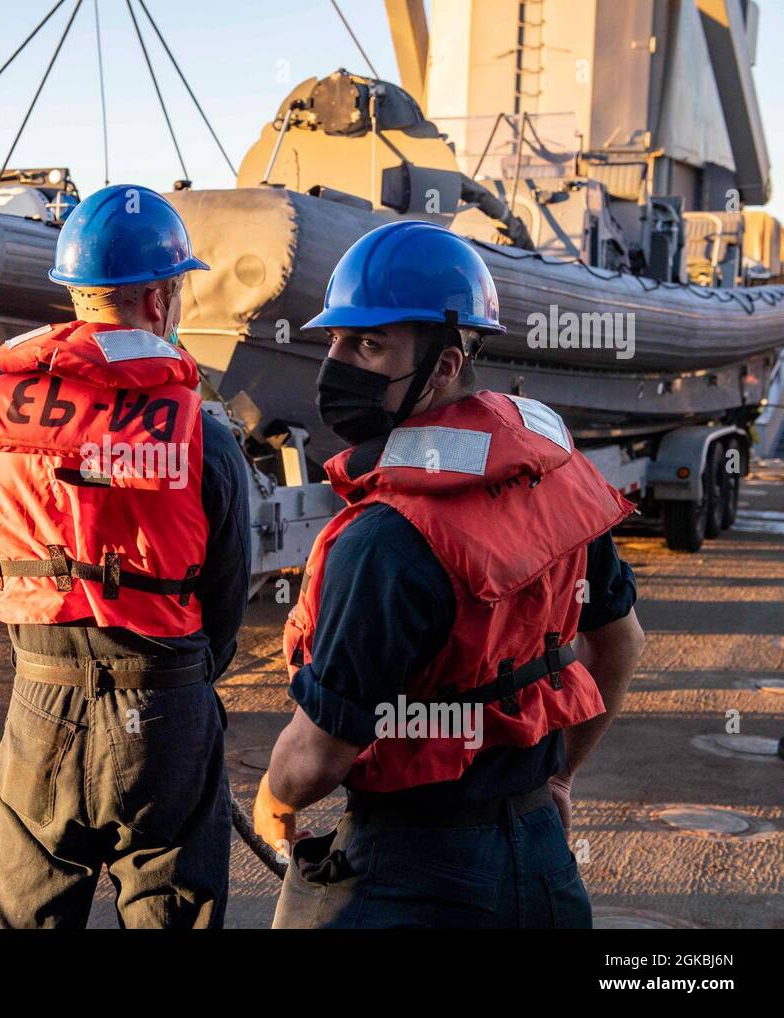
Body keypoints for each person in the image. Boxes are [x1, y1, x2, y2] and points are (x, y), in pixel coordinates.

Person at [254, 220, 645, 929]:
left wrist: (275, 801)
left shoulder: (385, 540)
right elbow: (620, 643)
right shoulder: (554, 475)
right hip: (542, 866)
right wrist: (558, 775)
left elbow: (319, 753)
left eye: (369, 345)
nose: (336, 365)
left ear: (444, 364)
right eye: (336, 341)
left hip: (411, 867)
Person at [0, 184, 251, 928]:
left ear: (75, 293)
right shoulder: (202, 433)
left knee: (30, 914)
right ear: (162, 299)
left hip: (41, 702)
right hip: (166, 702)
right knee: (172, 912)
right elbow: (228, 595)